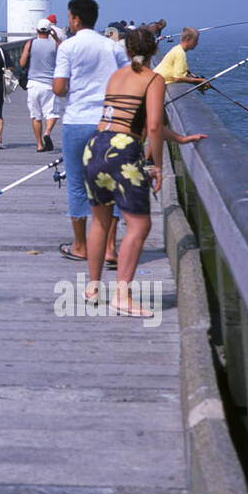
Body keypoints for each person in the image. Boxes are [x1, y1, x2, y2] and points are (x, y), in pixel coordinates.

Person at [82, 28, 207, 315]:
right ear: (155, 52)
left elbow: (127, 119)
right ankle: (121, 296)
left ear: (126, 51)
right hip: (123, 153)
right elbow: (150, 126)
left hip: (96, 146)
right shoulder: (153, 79)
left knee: (100, 221)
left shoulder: (116, 76)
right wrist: (158, 166)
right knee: (139, 226)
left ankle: (92, 288)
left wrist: (180, 138)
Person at [52, 0, 126, 261]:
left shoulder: (68, 47)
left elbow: (59, 88)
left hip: (76, 122)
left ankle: (81, 246)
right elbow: (128, 80)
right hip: (109, 122)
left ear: (75, 19)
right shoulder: (113, 47)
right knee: (111, 183)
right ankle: (109, 249)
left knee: (76, 184)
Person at [19, 19, 59, 152]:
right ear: (50, 31)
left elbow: (22, 63)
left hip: (33, 84)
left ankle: (39, 145)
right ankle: (47, 133)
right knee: (51, 113)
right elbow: (63, 54)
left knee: (36, 116)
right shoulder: (55, 44)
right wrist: (56, 38)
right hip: (49, 85)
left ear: (37, 30)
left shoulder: (30, 43)